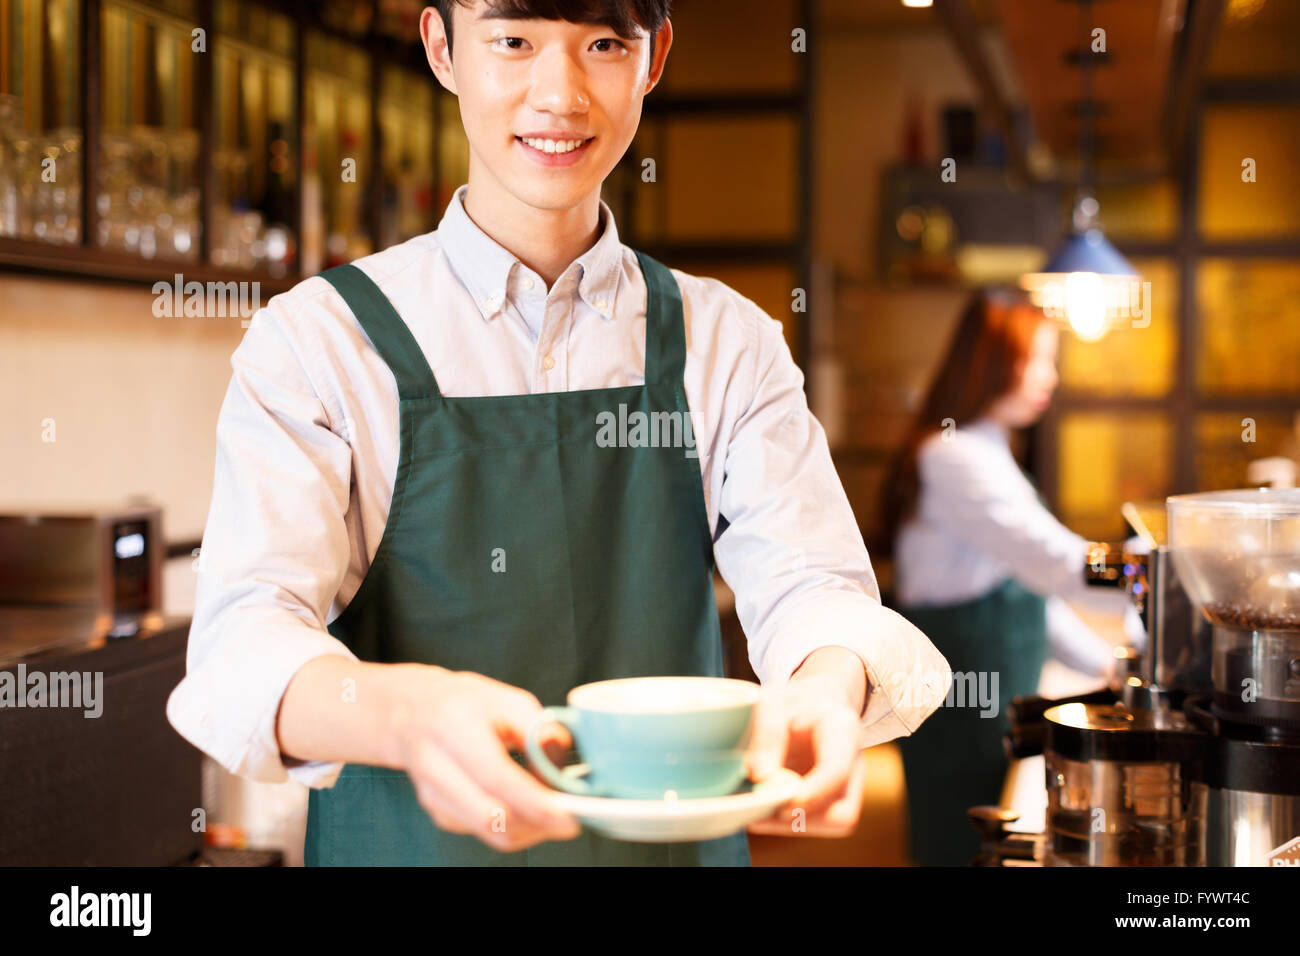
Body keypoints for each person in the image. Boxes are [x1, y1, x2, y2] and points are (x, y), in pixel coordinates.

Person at [166, 0, 951, 866]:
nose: (561, 94)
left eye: (604, 44)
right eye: (513, 40)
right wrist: (407, 714)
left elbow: (816, 588)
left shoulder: (728, 340)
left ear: (653, 61)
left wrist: (826, 687)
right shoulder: (319, 341)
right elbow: (243, 641)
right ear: (441, 48)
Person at [881, 288, 1121, 867]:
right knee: (957, 836)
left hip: (994, 689)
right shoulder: (952, 456)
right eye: (1037, 358)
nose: (1051, 377)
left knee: (990, 829)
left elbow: (1027, 589)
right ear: (989, 361)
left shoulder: (992, 450)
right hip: (959, 692)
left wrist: (1106, 664)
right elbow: (1055, 562)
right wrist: (1150, 572)